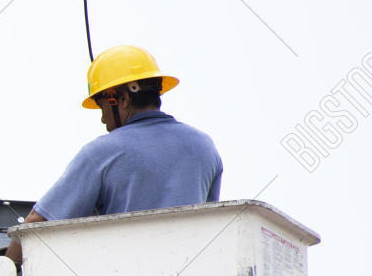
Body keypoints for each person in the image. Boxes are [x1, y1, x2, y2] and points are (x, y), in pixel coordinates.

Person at [22, 44, 222, 228]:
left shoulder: (102, 152)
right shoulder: (204, 146)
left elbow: (38, 223)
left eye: (102, 107)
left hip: (125, 266)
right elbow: (208, 221)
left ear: (122, 99)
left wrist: (8, 264)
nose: (103, 120)